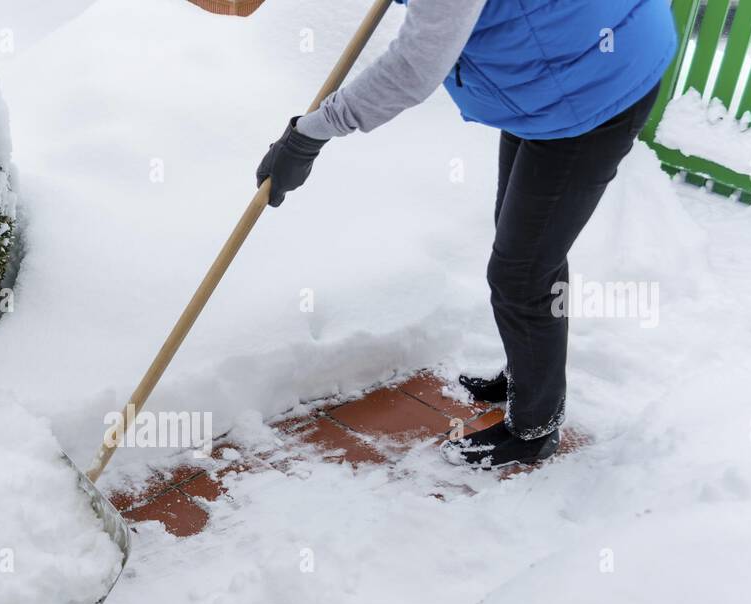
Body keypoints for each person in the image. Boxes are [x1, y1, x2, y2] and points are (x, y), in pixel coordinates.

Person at [256, 0, 678, 468]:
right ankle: (528, 376)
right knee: (526, 249)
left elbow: (414, 68)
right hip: (551, 73)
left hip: (594, 86)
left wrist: (309, 135)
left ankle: (534, 427)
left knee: (522, 271)